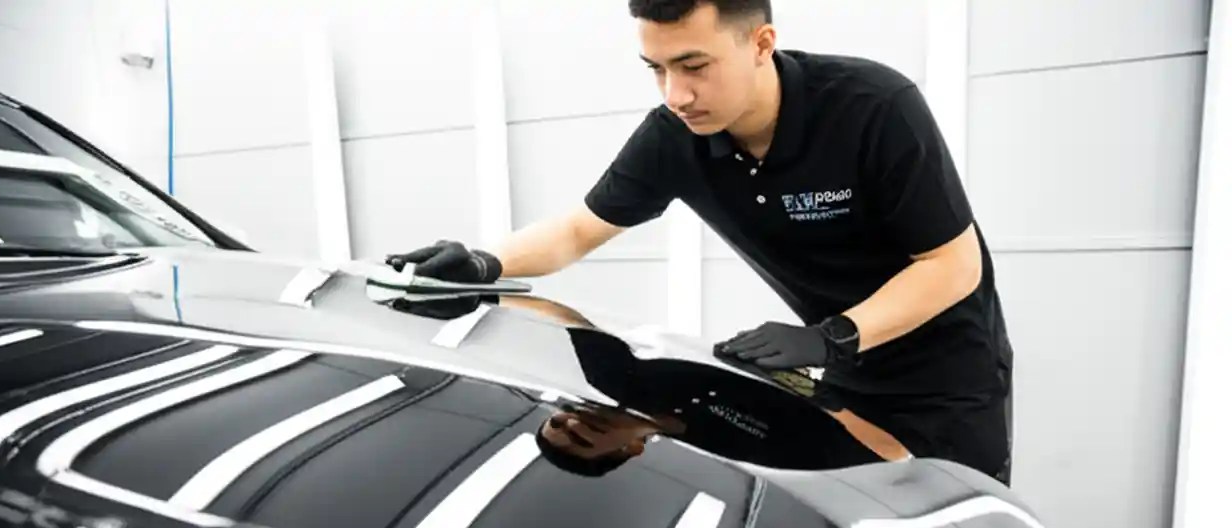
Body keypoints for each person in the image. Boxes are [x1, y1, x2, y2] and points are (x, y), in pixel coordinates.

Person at [386, 0, 1014, 484]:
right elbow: (579, 229)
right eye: (657, 69)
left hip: (949, 381)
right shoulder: (673, 136)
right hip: (836, 375)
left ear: (761, 44)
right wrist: (482, 262)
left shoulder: (873, 106)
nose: (675, 94)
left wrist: (832, 337)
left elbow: (952, 264)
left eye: (693, 66)